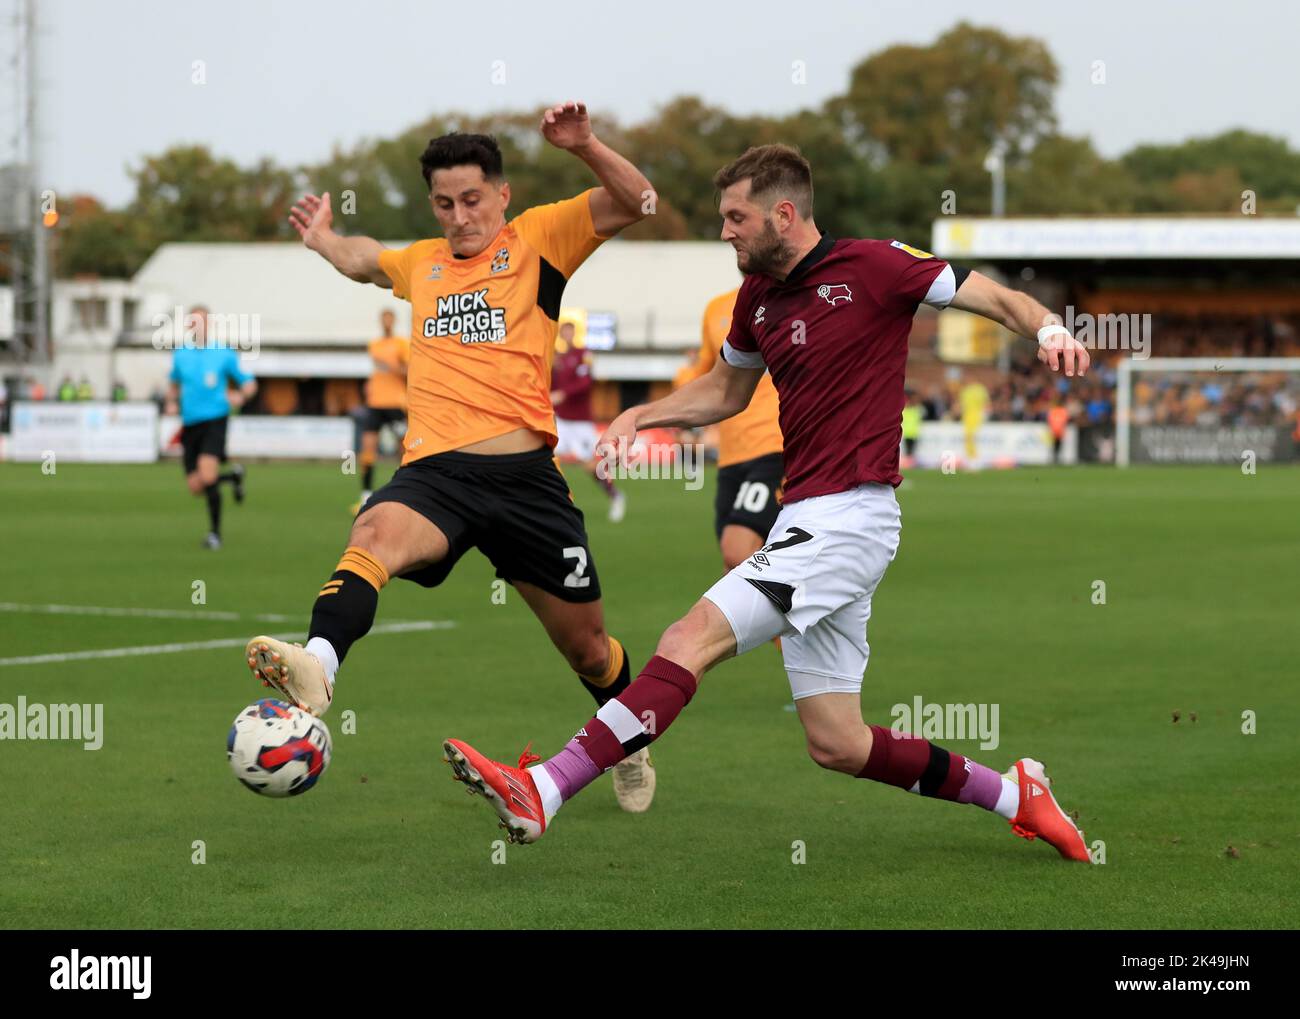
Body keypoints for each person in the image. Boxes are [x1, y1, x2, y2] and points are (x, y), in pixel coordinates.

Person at [443, 144, 1096, 863]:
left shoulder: (876, 266)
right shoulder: (757, 298)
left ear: (784, 215)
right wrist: (642, 414)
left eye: (735, 217)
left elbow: (998, 297)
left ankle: (545, 786)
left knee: (686, 639)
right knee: (838, 742)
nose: (725, 232)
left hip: (851, 518)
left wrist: (1050, 328)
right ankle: (1016, 794)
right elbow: (726, 392)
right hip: (805, 517)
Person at [245, 102, 659, 813]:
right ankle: (319, 665)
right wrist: (322, 238)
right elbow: (364, 259)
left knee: (589, 650)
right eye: (444, 203)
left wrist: (585, 144)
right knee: (371, 534)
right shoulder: (422, 263)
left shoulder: (542, 238)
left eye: (472, 199)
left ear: (502, 194)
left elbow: (639, 201)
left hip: (527, 482)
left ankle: (627, 737)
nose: (459, 216)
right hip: (436, 475)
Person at [164, 306, 255, 549]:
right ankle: (233, 477)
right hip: (190, 423)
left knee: (207, 473)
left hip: (215, 420)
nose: (197, 326)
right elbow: (173, 385)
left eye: (201, 322)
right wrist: (171, 402)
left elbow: (249, 384)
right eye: (192, 322)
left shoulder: (224, 354)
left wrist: (240, 396)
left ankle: (215, 535)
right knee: (196, 486)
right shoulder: (180, 355)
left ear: (209, 324)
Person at [551, 320, 625, 521]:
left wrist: (563, 394)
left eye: (569, 331)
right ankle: (554, 503)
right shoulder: (559, 358)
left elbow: (585, 383)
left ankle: (615, 496)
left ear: (574, 333)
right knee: (546, 459)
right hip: (561, 420)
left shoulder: (583, 354)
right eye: (563, 331)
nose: (566, 334)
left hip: (580, 421)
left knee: (591, 466)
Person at [353, 308, 410, 513]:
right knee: (367, 449)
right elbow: (377, 372)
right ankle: (365, 496)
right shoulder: (374, 345)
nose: (386, 322)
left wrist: (392, 367)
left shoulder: (402, 344)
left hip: (395, 403)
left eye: (389, 318)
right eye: (383, 318)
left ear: (394, 321)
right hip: (375, 403)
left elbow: (410, 371)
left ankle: (406, 493)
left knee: (404, 450)